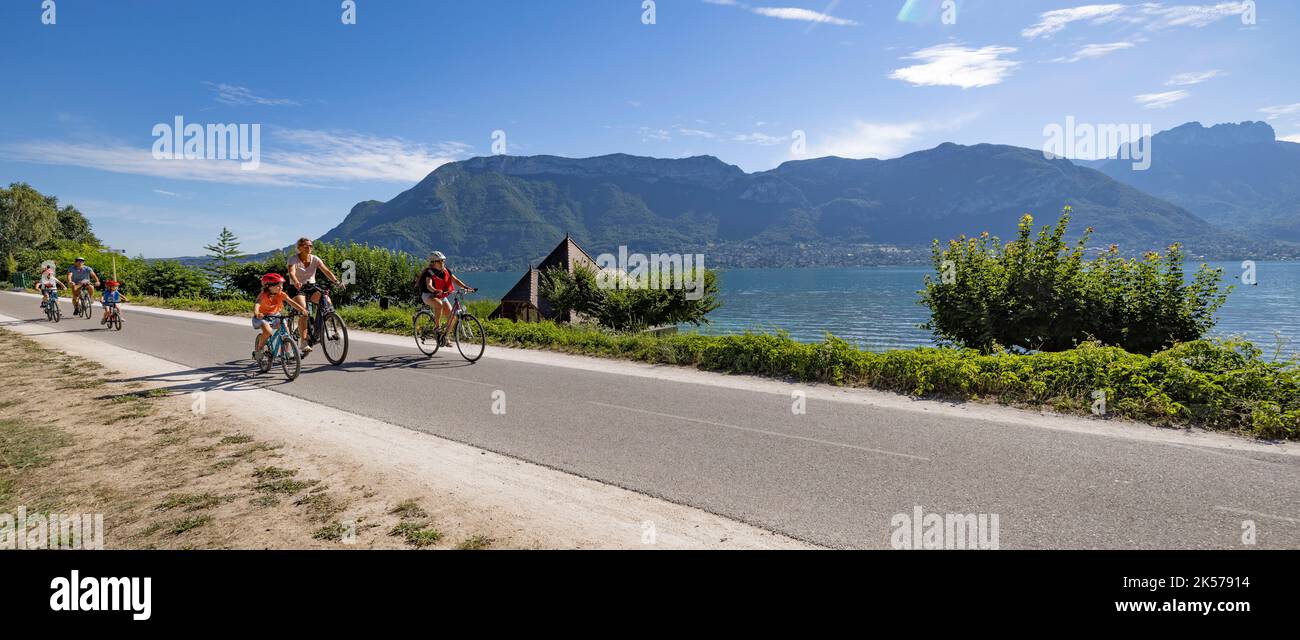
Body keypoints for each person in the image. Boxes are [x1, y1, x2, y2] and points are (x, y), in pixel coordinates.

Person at [286, 237, 342, 356]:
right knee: (304, 311)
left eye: (311, 246)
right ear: (299, 248)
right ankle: (304, 341)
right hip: (297, 288)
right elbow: (291, 272)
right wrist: (295, 281)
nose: (309, 248)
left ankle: (327, 328)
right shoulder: (293, 259)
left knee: (326, 300)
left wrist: (336, 282)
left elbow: (326, 271)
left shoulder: (315, 259)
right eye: (306, 246)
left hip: (311, 287)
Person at [418, 251, 475, 347]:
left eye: (443, 261)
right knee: (439, 305)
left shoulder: (446, 270)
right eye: (439, 261)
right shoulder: (429, 272)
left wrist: (466, 287)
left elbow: (455, 280)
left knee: (453, 316)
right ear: (432, 263)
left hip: (440, 295)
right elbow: (429, 285)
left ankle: (445, 337)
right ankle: (437, 327)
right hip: (428, 295)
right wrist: (435, 290)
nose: (442, 263)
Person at [252, 273, 308, 360]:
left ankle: (286, 352)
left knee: (286, 333)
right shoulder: (263, 295)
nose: (281, 288)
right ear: (268, 286)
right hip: (262, 317)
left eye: (282, 285)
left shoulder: (281, 294)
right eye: (278, 286)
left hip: (275, 316)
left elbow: (291, 302)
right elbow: (257, 303)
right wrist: (257, 313)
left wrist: (302, 309)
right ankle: (259, 349)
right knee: (268, 331)